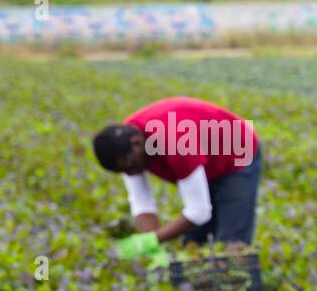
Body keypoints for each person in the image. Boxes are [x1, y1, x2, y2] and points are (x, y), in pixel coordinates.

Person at [92, 96, 263, 263]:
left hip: (237, 152)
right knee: (192, 245)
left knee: (231, 243)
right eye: (123, 172)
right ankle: (200, 287)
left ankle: (237, 286)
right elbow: (142, 202)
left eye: (130, 167)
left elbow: (199, 212)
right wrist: (153, 246)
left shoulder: (176, 142)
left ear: (136, 143)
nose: (130, 174)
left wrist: (152, 240)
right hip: (203, 159)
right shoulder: (122, 147)